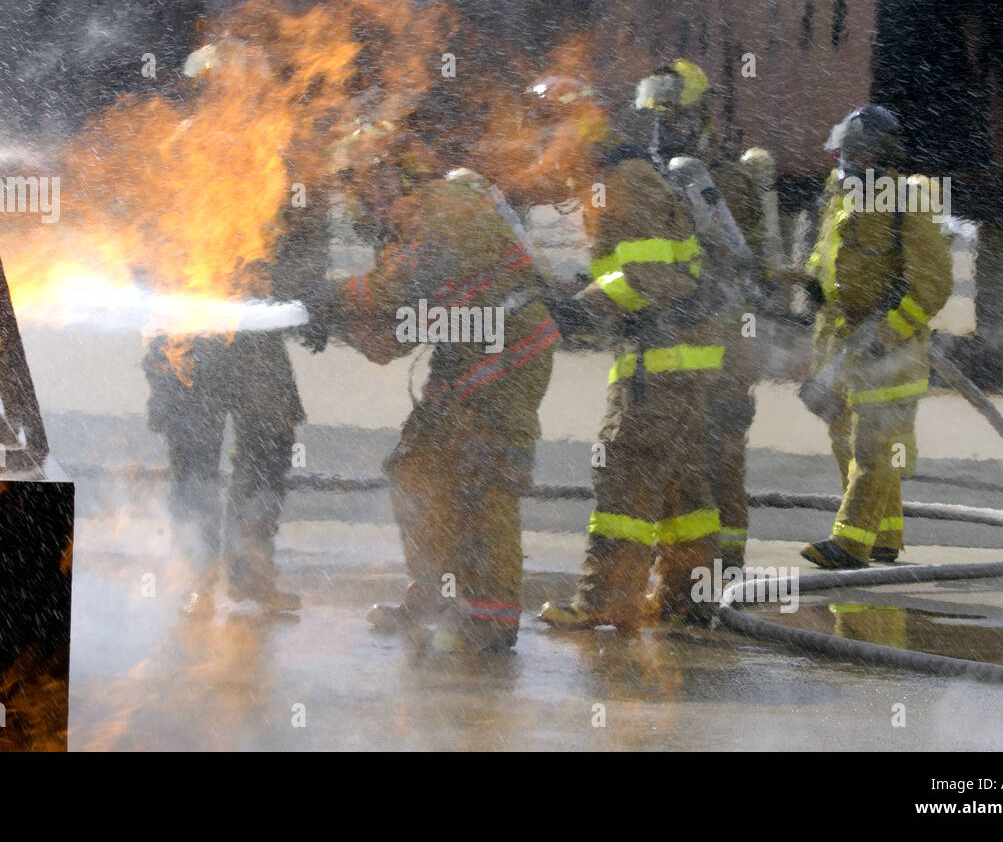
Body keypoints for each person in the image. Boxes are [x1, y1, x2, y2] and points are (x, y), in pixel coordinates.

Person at [307, 125, 558, 652]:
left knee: (483, 477)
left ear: (390, 172)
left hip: (509, 348)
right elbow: (391, 339)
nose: (354, 198)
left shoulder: (446, 204)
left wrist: (330, 298)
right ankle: (434, 596)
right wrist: (330, 322)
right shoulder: (408, 227)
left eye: (360, 182)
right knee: (416, 468)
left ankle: (492, 618)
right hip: (466, 350)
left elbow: (398, 287)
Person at [534, 76, 726, 632]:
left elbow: (646, 273)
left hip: (659, 361)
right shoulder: (625, 176)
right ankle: (687, 602)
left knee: (624, 474)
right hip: (680, 357)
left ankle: (604, 604)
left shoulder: (625, 180)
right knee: (684, 490)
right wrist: (581, 290)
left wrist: (582, 309)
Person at [145, 196, 328, 614]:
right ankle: (198, 579)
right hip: (191, 339)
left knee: (265, 461)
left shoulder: (282, 171)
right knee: (194, 467)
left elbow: (306, 254)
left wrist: (288, 291)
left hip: (258, 347)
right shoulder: (185, 164)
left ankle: (252, 574)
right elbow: (149, 250)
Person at [634, 59, 779, 573]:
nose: (661, 129)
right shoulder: (659, 173)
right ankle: (684, 564)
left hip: (727, 341)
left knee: (720, 454)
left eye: (671, 119)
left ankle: (726, 565)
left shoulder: (721, 181)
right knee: (675, 453)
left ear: (698, 120)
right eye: (655, 119)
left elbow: (735, 264)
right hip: (682, 339)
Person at [798, 105, 952, 568]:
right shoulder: (842, 196)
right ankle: (885, 538)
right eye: (844, 152)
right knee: (844, 441)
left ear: (878, 157)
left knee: (873, 448)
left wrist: (883, 335)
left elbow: (932, 285)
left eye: (856, 153)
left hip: (891, 354)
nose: (846, 162)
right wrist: (808, 283)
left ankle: (850, 546)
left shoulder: (908, 200)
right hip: (841, 348)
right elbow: (828, 259)